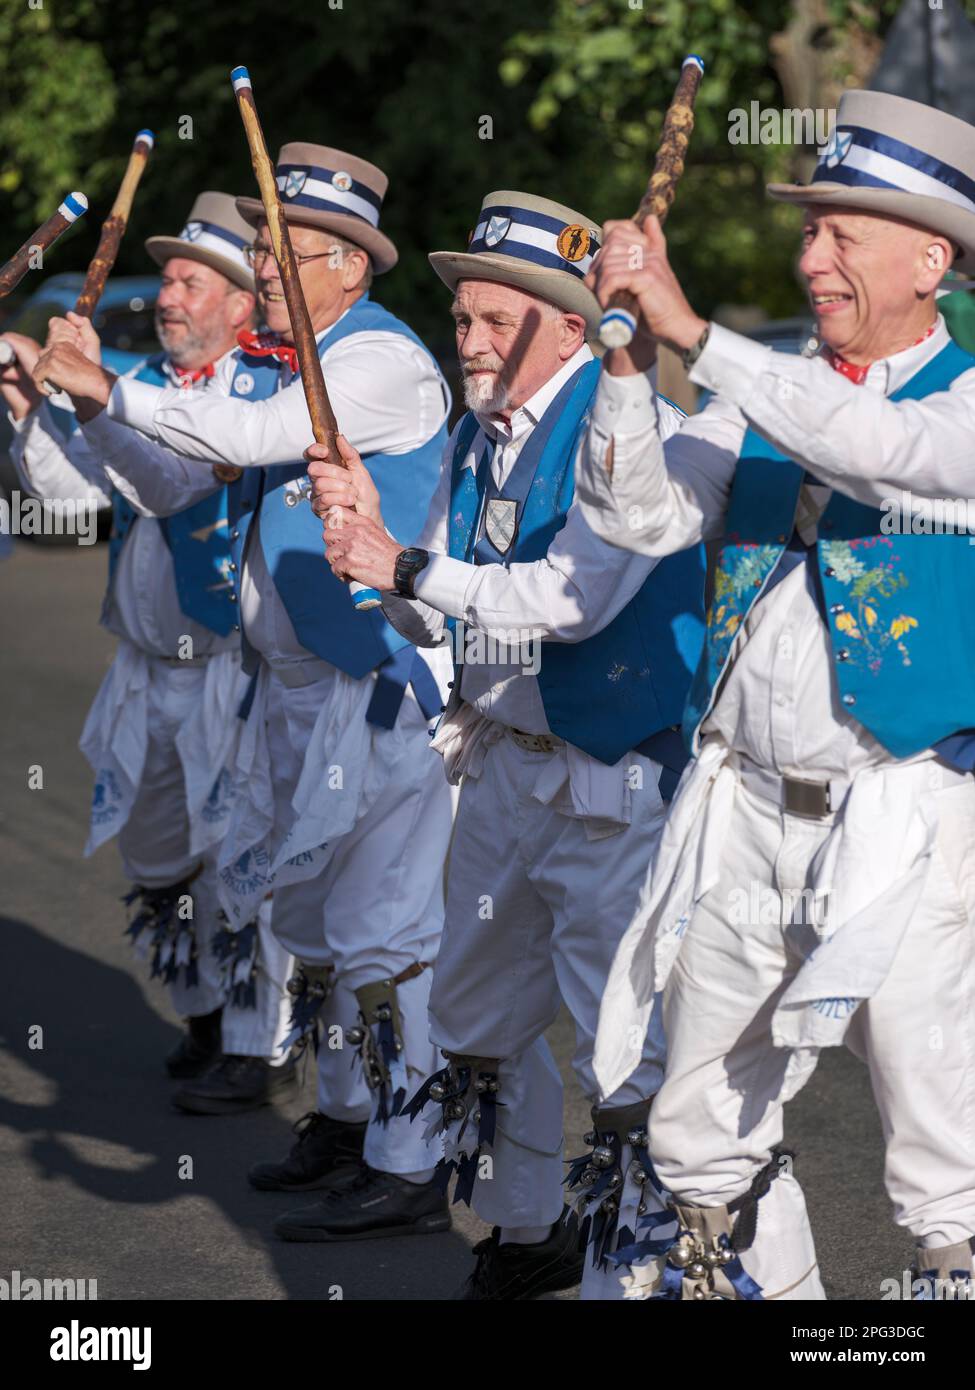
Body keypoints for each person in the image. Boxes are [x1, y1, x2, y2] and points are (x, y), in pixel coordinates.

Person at [577, 89, 975, 1300]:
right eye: (808, 233)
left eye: (841, 233)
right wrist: (628, 368)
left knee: (940, 1150)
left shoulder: (961, 399)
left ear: (932, 257)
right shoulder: (771, 386)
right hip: (740, 808)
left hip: (903, 816)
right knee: (699, 1126)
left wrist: (695, 330)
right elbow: (637, 513)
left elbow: (875, 446)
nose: (811, 260)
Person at [33, 145, 458, 1241]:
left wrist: (104, 381)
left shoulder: (380, 363)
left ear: (350, 268)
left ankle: (410, 1162)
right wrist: (84, 409)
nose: (264, 262)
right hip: (287, 687)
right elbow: (175, 479)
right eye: (265, 243)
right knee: (305, 915)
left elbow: (256, 437)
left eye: (285, 248)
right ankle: (351, 1117)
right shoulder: (282, 358)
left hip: (372, 689)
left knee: (379, 931)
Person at [311, 189, 705, 1297]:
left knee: (622, 1044)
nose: (472, 344)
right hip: (501, 768)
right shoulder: (478, 439)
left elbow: (567, 602)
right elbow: (433, 609)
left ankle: (644, 1267)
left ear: (572, 328)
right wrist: (363, 546)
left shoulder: (639, 434)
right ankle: (530, 1230)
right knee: (477, 1014)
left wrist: (399, 565)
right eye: (465, 320)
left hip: (612, 784)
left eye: (499, 323)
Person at [1, 193, 295, 1104]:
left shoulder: (262, 397)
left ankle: (254, 1048)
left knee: (238, 861)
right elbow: (73, 497)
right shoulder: (148, 387)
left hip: (227, 670)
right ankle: (203, 1012)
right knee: (157, 859)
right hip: (142, 666)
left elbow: (168, 488)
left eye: (187, 281)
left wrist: (89, 391)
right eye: (165, 278)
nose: (167, 296)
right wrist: (21, 399)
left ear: (241, 304)